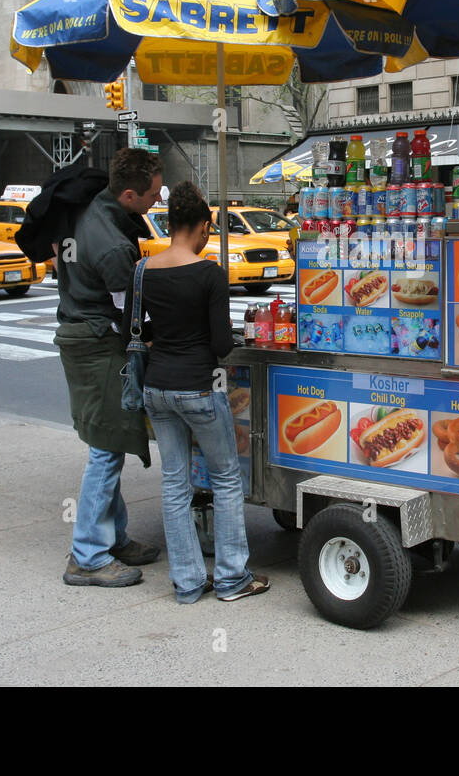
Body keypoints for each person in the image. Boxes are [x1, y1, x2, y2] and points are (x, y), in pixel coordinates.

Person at [139, 182, 269, 604]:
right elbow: (220, 345)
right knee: (227, 479)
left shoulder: (144, 270)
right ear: (199, 226)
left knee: (175, 484)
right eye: (208, 229)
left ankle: (188, 582)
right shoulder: (209, 273)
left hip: (156, 388)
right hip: (199, 386)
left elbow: (136, 331)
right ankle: (232, 578)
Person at [56, 147, 165, 588]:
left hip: (79, 331)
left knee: (110, 440)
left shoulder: (91, 209)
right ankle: (88, 555)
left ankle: (114, 537)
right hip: (98, 343)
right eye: (153, 195)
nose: (157, 201)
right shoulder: (114, 246)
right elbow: (130, 319)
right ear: (128, 195)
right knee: (105, 447)